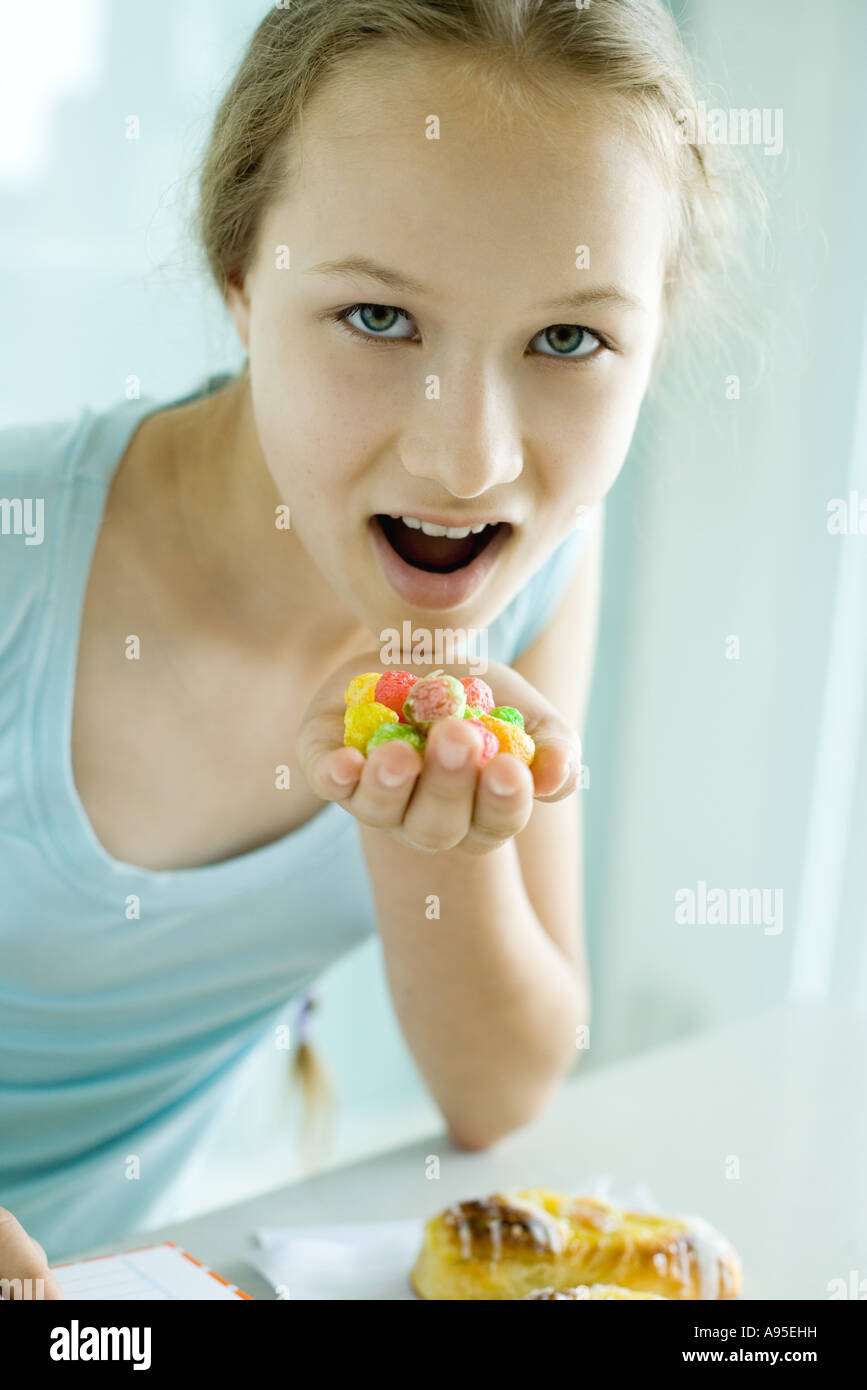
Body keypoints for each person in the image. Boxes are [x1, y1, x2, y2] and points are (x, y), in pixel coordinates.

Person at [0, 0, 747, 1286]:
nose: (471, 461)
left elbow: (499, 1092)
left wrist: (419, 837)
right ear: (239, 281)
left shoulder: (536, 562)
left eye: (568, 339)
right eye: (380, 320)